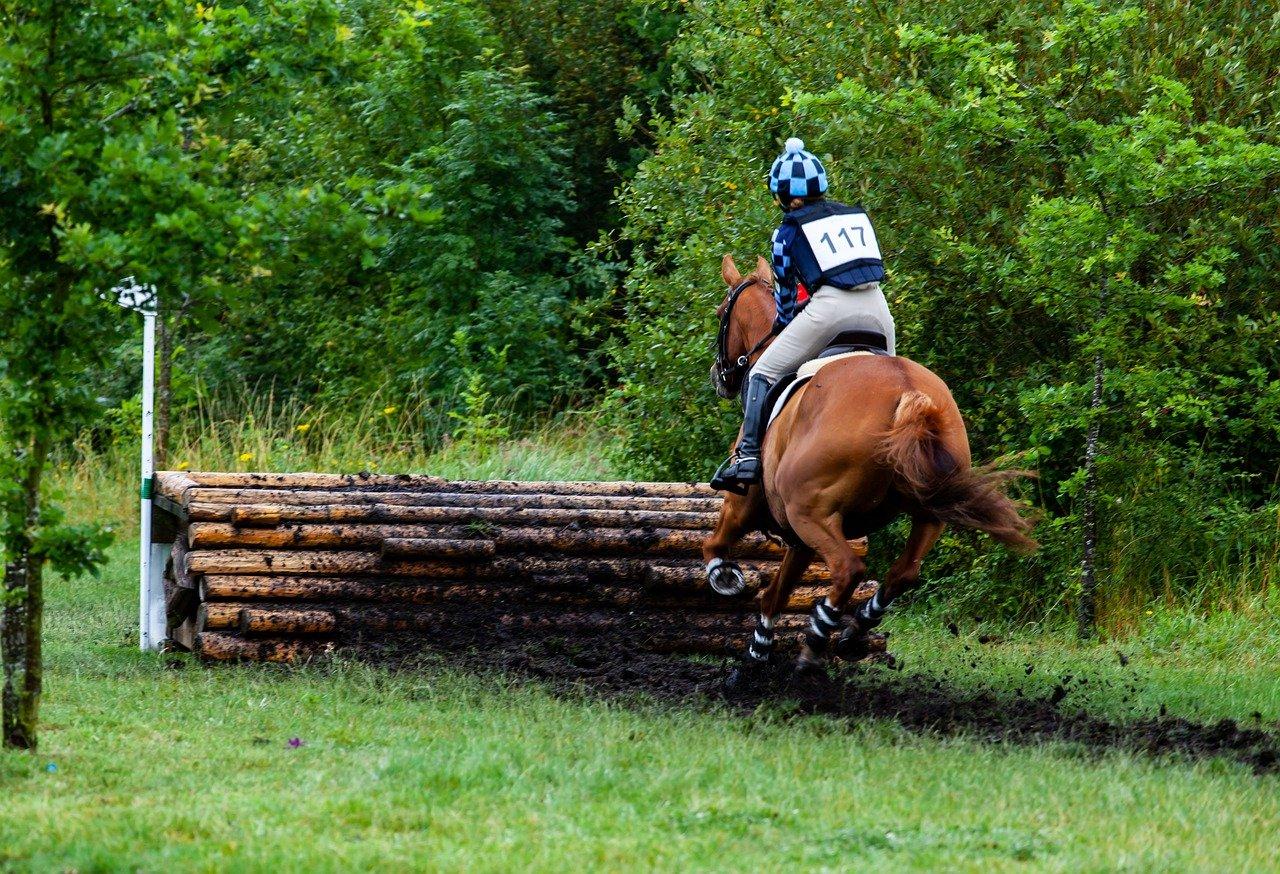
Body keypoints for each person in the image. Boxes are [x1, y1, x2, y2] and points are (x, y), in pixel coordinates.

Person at [712, 137, 896, 492]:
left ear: (781, 195)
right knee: (894, 377)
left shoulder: (786, 232)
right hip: (878, 309)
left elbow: (784, 299)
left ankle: (747, 456)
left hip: (830, 308)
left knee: (762, 370)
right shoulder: (857, 215)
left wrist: (784, 325)